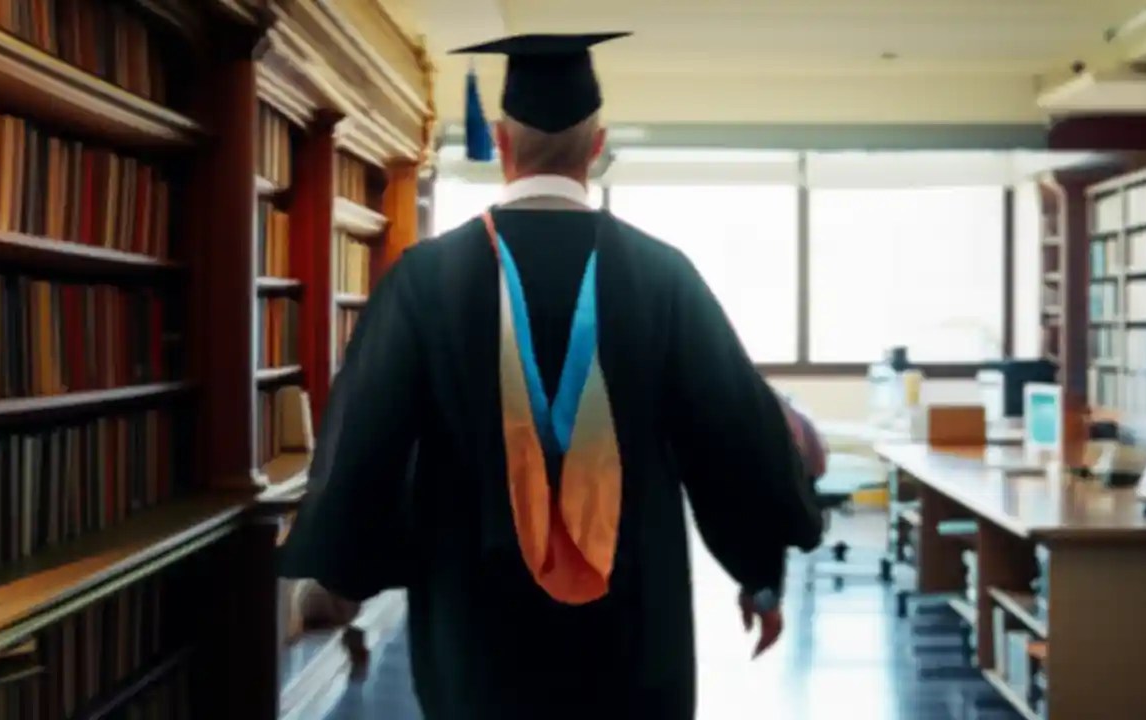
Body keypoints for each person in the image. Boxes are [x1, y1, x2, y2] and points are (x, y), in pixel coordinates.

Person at [278, 31, 822, 720]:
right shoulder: (664, 277)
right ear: (597, 148)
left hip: (475, 630)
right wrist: (758, 572)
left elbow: (367, 445)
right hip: (632, 632)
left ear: (502, 144)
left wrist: (341, 581)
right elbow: (733, 437)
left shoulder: (424, 281)